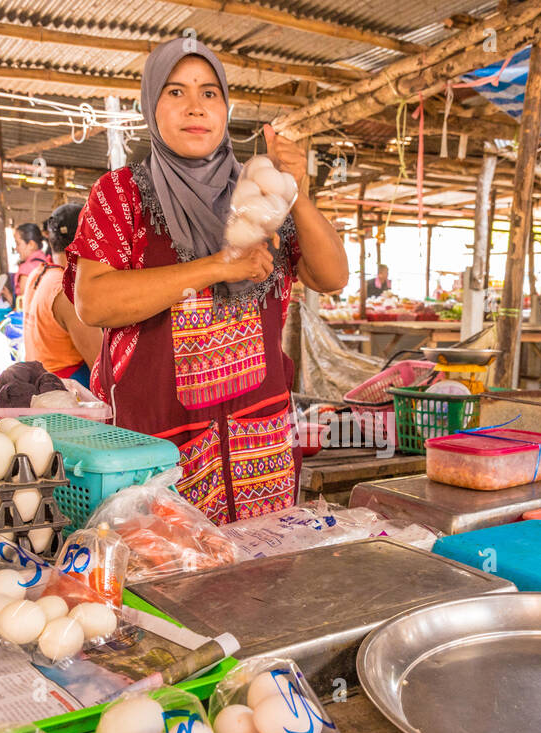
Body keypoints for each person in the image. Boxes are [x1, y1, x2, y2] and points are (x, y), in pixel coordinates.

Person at [66, 37, 349, 526]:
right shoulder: (121, 194)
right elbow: (93, 302)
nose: (195, 107)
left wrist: (293, 191)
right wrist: (219, 266)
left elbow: (332, 277)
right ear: (151, 106)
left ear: (225, 108)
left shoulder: (259, 189)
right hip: (157, 452)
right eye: (175, 92)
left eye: (209, 93)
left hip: (260, 449)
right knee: (163, 581)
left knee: (262, 589)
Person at [24, 203, 100, 388]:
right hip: (65, 392)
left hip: (37, 384)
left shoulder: (39, 273)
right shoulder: (67, 290)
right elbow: (101, 366)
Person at [13, 222, 51, 302]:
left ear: (31, 244)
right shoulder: (48, 263)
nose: (16, 248)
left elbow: (24, 305)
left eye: (18, 244)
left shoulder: (26, 269)